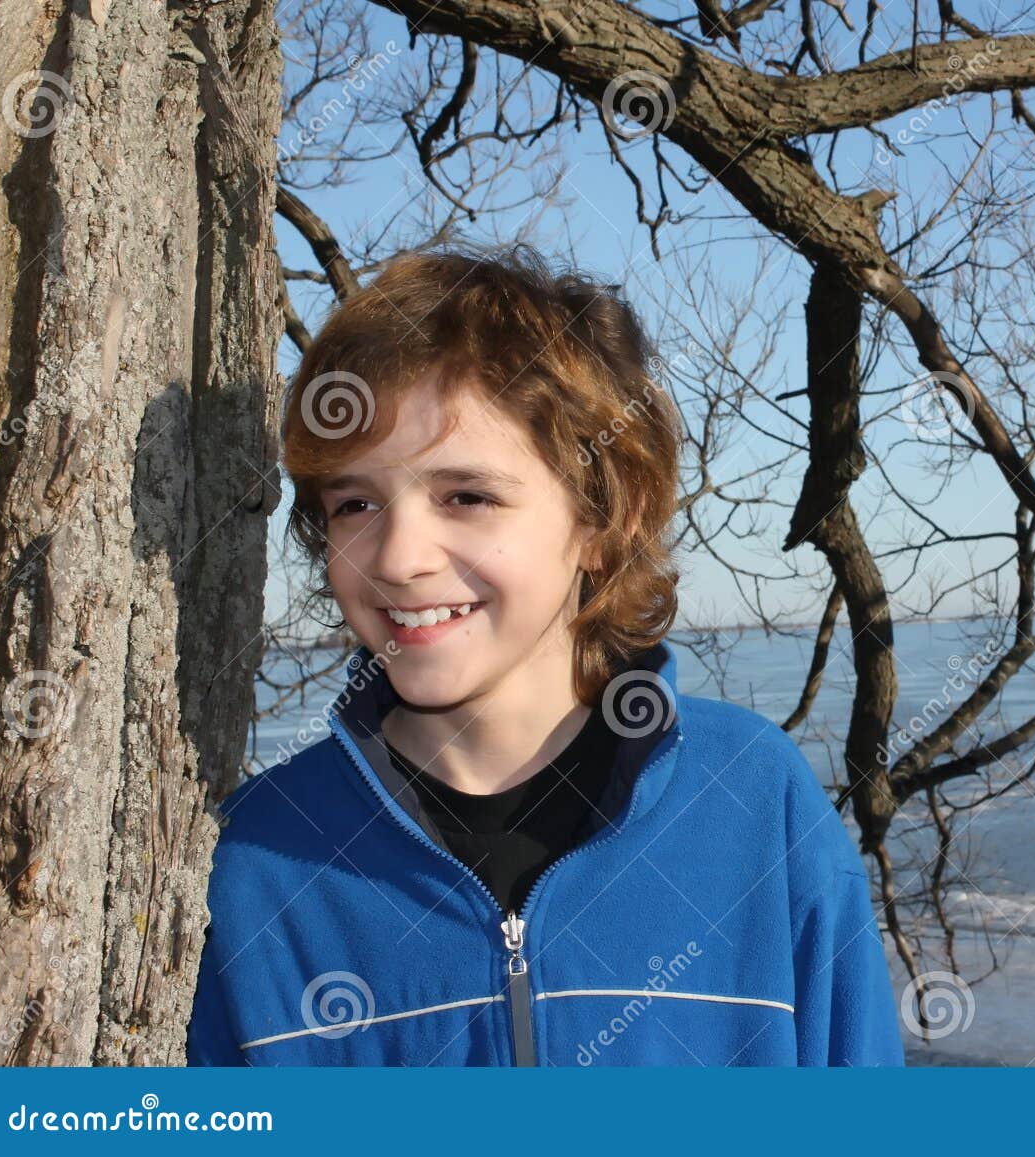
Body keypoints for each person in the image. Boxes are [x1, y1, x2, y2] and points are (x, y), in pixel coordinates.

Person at [184, 242, 906, 1067]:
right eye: (355, 502)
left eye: (468, 496)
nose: (396, 556)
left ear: (603, 520)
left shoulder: (753, 805)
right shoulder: (258, 863)